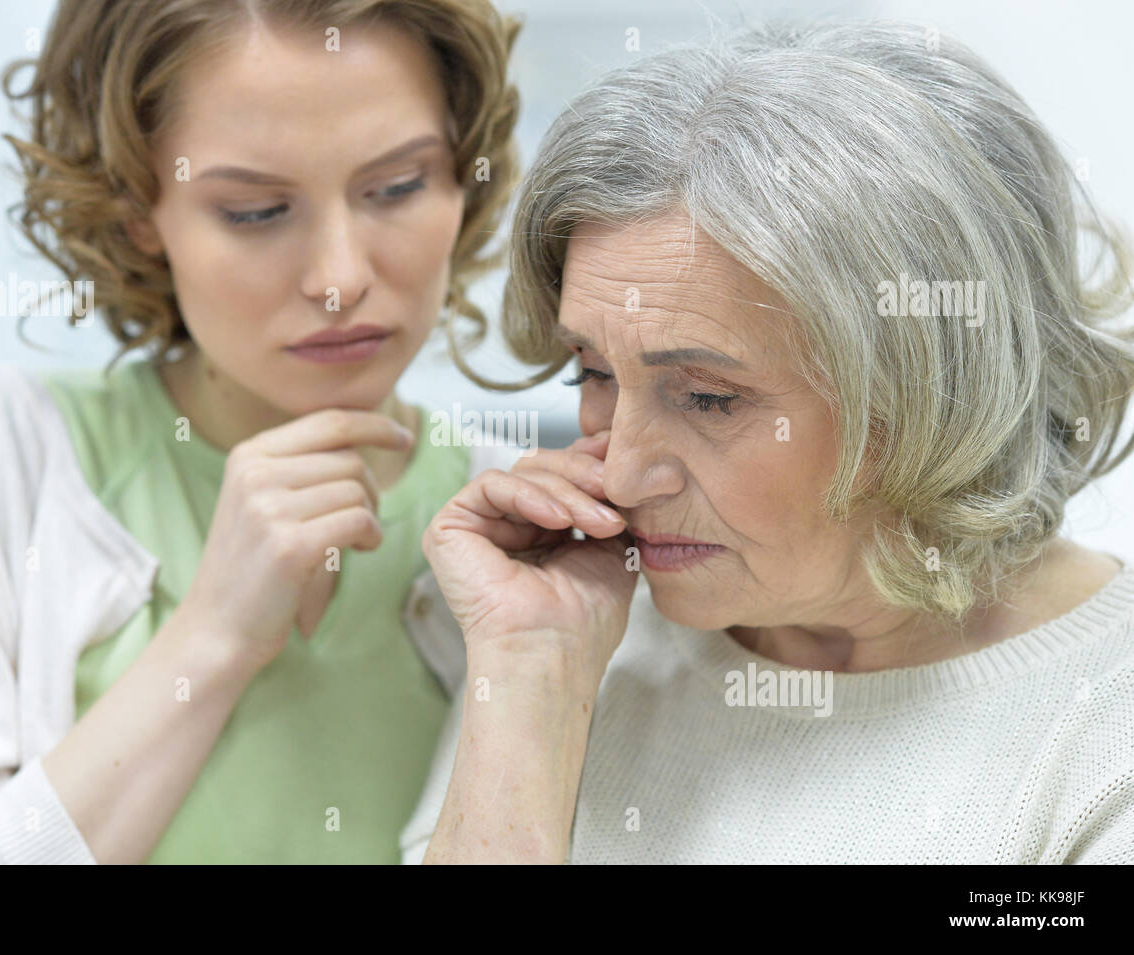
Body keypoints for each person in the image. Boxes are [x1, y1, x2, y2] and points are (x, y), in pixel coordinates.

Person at [399, 20, 1134, 864]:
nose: (623, 472)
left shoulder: (1102, 738)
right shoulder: (575, 628)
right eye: (592, 374)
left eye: (709, 399)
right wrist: (530, 677)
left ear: (933, 394)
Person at [0, 0, 521, 864]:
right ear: (135, 212)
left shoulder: (519, 537)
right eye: (256, 210)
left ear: (467, 176)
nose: (341, 277)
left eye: (398, 187)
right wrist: (215, 635)